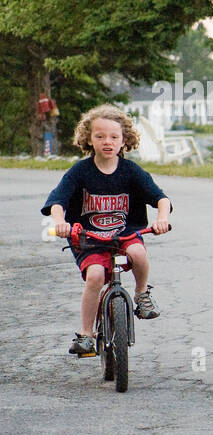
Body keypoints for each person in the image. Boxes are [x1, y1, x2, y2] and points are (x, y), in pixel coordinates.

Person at [41, 105, 173, 356]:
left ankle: (141, 294)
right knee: (95, 277)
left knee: (139, 254)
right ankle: (86, 335)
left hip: (125, 233)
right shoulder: (80, 171)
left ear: (125, 140)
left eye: (114, 137)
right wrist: (59, 222)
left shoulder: (131, 171)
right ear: (88, 139)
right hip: (88, 238)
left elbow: (160, 198)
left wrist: (161, 218)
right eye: (100, 136)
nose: (107, 142)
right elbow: (57, 201)